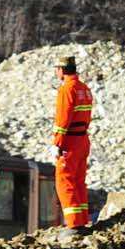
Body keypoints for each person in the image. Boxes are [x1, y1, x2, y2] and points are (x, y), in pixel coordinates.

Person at [50, 55, 94, 236]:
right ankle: (82, 220)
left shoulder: (66, 89)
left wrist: (57, 143)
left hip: (70, 141)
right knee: (78, 181)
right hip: (82, 139)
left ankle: (74, 224)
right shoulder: (84, 88)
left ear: (61, 70)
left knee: (65, 181)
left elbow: (62, 119)